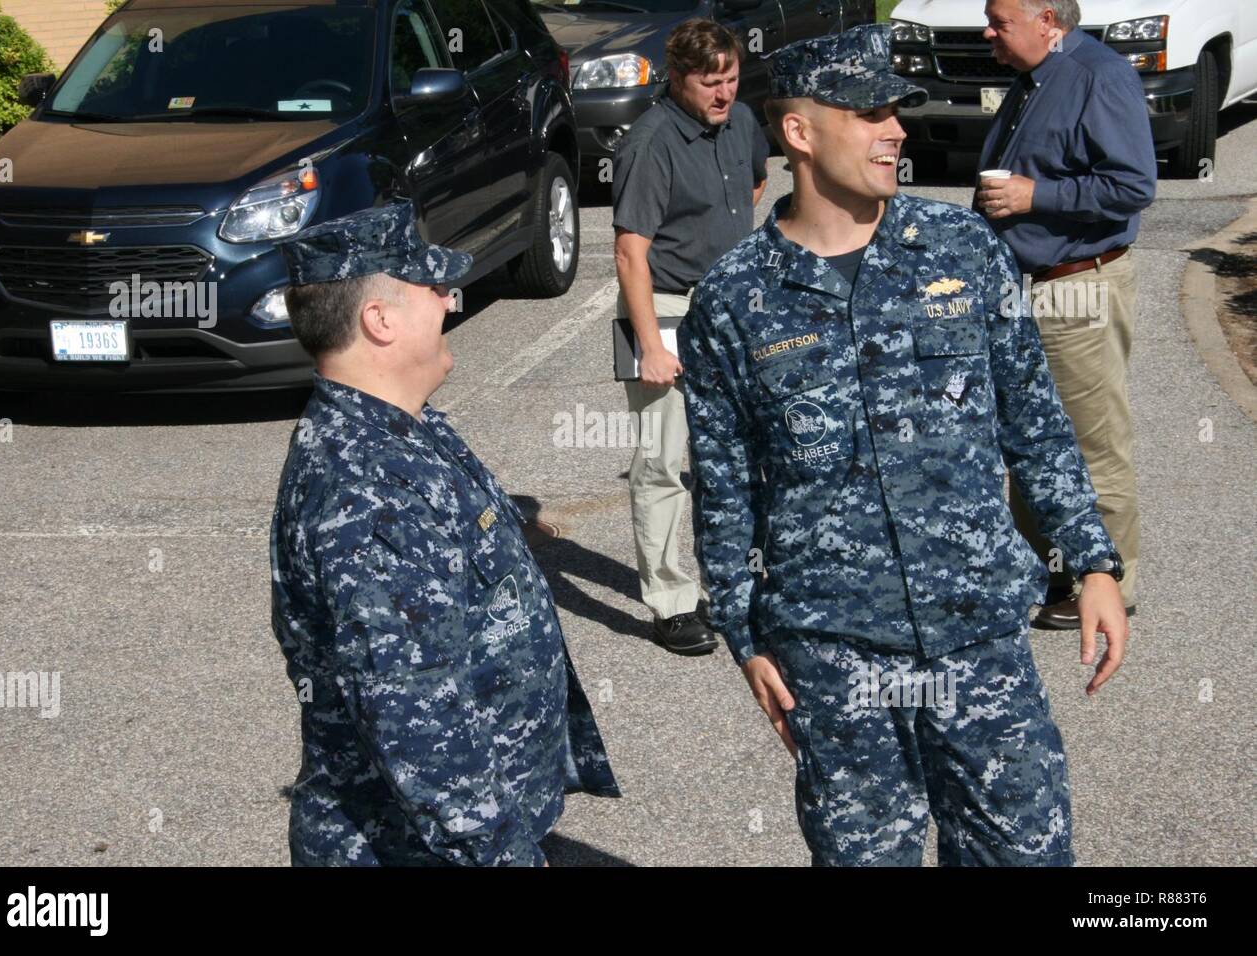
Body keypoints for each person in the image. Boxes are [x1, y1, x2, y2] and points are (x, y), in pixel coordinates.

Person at [679, 24, 1128, 866]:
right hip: (836, 656)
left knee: (1023, 853)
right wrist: (745, 638)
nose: (895, 131)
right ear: (799, 132)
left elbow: (1032, 420)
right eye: (869, 111)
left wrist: (1092, 560)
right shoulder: (733, 302)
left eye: (897, 111)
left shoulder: (963, 251)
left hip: (980, 636)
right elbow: (725, 486)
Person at [269, 201, 619, 866]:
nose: (448, 300)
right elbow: (411, 713)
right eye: (431, 287)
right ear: (379, 320)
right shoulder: (366, 489)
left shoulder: (403, 426)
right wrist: (500, 852)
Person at [975, 0, 1155, 627]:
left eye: (999, 21)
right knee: (1030, 439)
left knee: (1089, 442)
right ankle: (1050, 574)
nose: (987, 31)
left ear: (1048, 20)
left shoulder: (1099, 77)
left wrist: (1035, 194)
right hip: (1027, 288)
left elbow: (1134, 186)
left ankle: (1111, 583)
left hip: (1078, 285)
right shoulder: (1033, 80)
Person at [612, 18, 769, 655]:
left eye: (731, 79)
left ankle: (734, 584)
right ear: (677, 79)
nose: (724, 93)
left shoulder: (743, 122)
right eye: (710, 83)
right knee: (661, 463)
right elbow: (629, 252)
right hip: (666, 309)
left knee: (736, 457)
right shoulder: (651, 142)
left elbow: (756, 182)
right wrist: (651, 344)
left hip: (730, 309)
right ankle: (671, 602)